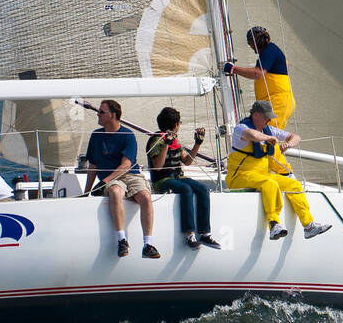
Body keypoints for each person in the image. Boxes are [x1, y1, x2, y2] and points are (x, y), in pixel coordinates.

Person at [225, 100, 330, 241]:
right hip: (239, 176)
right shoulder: (241, 128)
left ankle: (308, 226)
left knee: (294, 185)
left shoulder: (269, 130)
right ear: (255, 115)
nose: (269, 120)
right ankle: (274, 224)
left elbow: (296, 137)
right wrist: (268, 138)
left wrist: (288, 144)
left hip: (261, 175)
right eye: (266, 117)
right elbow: (253, 136)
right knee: (270, 184)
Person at [84, 99, 159, 259]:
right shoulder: (96, 135)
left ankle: (148, 244)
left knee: (145, 196)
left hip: (129, 174)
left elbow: (126, 165)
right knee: (115, 192)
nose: (97, 114)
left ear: (113, 115)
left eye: (101, 112)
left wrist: (103, 182)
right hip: (112, 179)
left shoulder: (127, 135)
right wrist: (87, 192)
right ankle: (122, 240)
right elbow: (93, 165)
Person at [146, 107, 221, 250]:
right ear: (175, 125)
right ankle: (189, 234)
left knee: (203, 189)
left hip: (178, 177)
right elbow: (157, 166)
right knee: (186, 190)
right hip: (162, 180)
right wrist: (166, 145)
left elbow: (187, 161)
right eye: (179, 122)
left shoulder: (175, 141)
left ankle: (205, 232)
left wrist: (197, 144)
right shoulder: (157, 140)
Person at [225, 26, 296, 174]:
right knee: (268, 136)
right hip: (278, 100)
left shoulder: (269, 51)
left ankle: (283, 172)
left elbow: (258, 74)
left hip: (278, 100)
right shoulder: (268, 52)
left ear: (256, 40)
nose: (251, 47)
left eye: (251, 43)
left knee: (269, 135)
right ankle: (273, 168)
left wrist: (234, 69)